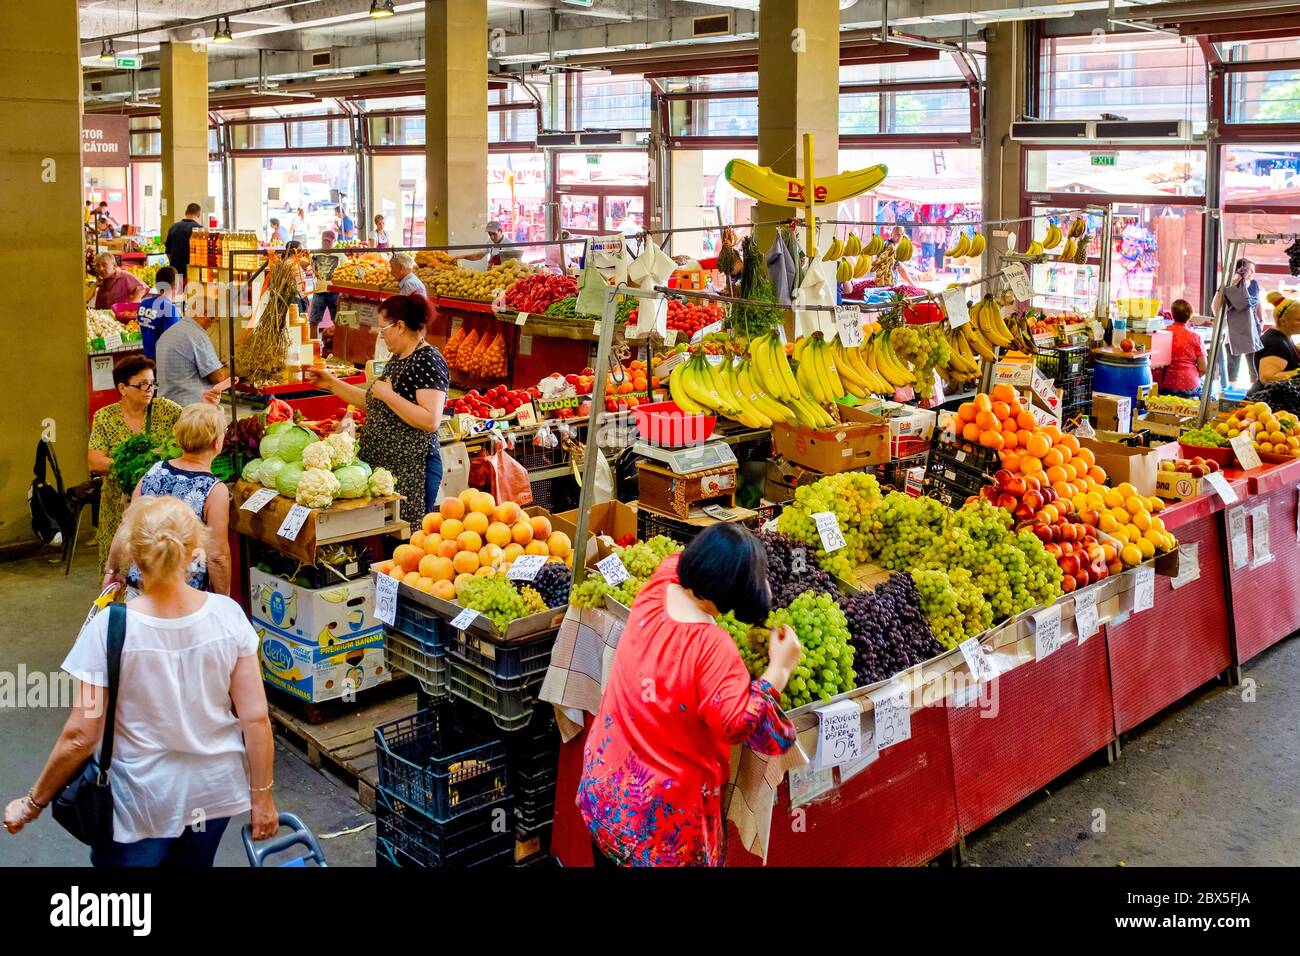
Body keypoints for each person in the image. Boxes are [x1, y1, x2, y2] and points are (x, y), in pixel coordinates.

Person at [3, 496, 277, 864]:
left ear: (132, 552)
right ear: (195, 550)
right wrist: (262, 798)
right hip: (212, 793)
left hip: (141, 802)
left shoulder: (110, 627)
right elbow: (255, 718)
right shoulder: (228, 615)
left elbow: (81, 734)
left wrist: (32, 803)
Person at [578, 524, 800, 867]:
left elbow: (681, 559)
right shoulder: (711, 646)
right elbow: (738, 724)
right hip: (661, 834)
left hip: (607, 799)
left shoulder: (658, 587)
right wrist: (779, 670)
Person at [306, 295, 448, 518]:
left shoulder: (428, 360)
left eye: (383, 328)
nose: (381, 335)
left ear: (400, 326)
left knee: (408, 535)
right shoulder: (399, 357)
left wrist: (388, 395)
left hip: (412, 470)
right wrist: (331, 383)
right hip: (387, 469)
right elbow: (375, 402)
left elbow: (430, 420)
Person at [104, 402, 232, 596]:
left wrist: (111, 570)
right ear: (216, 442)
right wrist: (224, 602)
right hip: (184, 596)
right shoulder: (214, 490)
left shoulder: (154, 471)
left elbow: (127, 526)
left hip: (141, 588)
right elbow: (217, 556)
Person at [87, 356, 183, 572]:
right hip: (118, 507)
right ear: (123, 388)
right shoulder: (105, 417)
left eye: (152, 383)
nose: (149, 390)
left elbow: (193, 428)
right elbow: (95, 461)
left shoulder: (167, 410)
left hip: (160, 507)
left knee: (159, 568)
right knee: (121, 568)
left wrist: (210, 404)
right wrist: (135, 469)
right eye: (142, 385)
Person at [155, 303, 229, 408]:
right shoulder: (198, 335)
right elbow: (218, 377)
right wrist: (230, 369)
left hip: (167, 405)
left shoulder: (168, 333)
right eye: (212, 318)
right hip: (191, 408)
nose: (212, 323)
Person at [1213, 257, 1263, 389]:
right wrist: (1225, 322)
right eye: (1250, 270)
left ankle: (1254, 391)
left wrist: (1261, 320)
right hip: (1235, 330)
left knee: (1254, 365)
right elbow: (1215, 307)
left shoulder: (1254, 284)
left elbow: (1258, 303)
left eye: (1253, 270)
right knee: (1233, 365)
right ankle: (1231, 390)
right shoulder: (1229, 286)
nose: (1253, 273)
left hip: (1253, 328)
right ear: (1241, 270)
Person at [1252, 292, 1300, 389]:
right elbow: (1267, 378)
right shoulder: (1274, 343)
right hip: (1268, 397)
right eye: (1299, 320)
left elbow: (1286, 355)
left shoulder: (1283, 337)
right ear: (1283, 321)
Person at [1161, 299, 1207, 398]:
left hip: (1165, 384)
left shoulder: (1162, 333)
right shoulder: (1195, 337)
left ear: (1172, 314)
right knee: (1209, 393)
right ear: (1190, 315)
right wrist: (1194, 378)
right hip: (1189, 384)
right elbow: (1203, 368)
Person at [137, 266, 182, 360]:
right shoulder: (170, 310)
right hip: (163, 361)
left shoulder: (144, 304)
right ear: (176, 286)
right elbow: (174, 342)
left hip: (147, 358)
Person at [309, 230, 342, 334]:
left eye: (329, 241)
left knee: (338, 321)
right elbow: (305, 264)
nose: (326, 243)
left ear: (334, 241)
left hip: (335, 292)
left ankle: (337, 342)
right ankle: (313, 343)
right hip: (319, 291)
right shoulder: (314, 253)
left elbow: (347, 268)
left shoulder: (340, 254)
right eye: (324, 241)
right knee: (313, 321)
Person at [165, 202, 203, 278]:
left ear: (186, 212)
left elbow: (167, 250)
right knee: (192, 286)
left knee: (178, 285)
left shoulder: (173, 227)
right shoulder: (199, 230)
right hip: (192, 270)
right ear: (198, 214)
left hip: (176, 269)